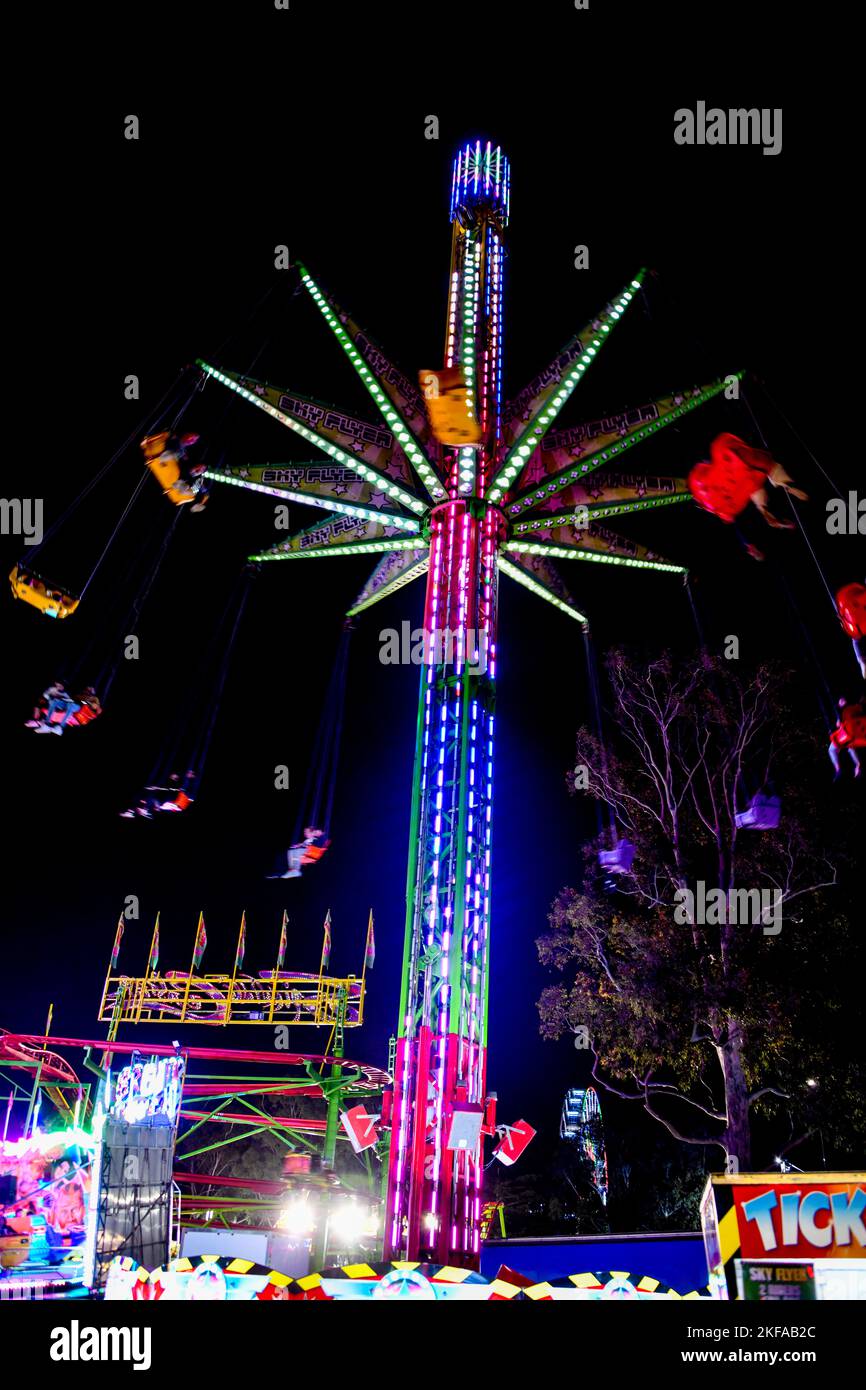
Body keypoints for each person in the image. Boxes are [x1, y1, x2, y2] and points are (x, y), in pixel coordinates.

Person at [828, 698, 865, 779]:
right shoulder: (845, 711)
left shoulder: (848, 709)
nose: (842, 702)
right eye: (840, 701)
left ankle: (839, 769)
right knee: (850, 747)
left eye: (843, 700)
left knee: (833, 749)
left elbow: (840, 724)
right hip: (852, 735)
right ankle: (856, 766)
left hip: (851, 733)